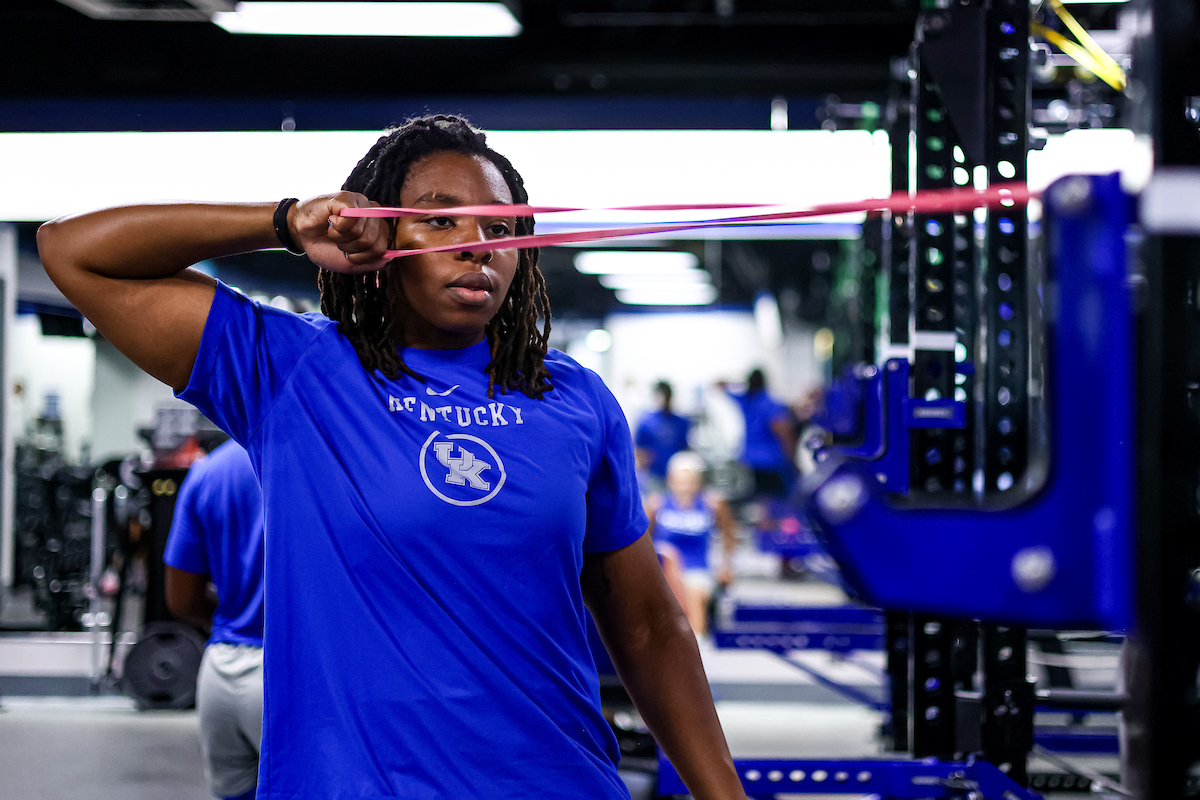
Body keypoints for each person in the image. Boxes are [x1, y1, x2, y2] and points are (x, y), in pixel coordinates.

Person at [38, 115, 744, 800]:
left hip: (555, 779)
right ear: (380, 233)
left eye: (500, 227)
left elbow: (648, 626)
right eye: (441, 220)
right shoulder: (289, 371)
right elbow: (73, 250)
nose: (479, 245)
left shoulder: (574, 399)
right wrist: (287, 222)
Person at [164, 439, 264, 800]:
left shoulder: (209, 471)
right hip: (287, 675)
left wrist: (235, 613)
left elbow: (181, 599)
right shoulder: (315, 462)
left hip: (219, 673)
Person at [646, 451, 737, 635]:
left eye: (689, 480)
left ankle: (697, 640)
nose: (684, 485)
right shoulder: (657, 505)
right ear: (670, 479)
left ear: (698, 481)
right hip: (664, 569)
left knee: (693, 592)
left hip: (698, 569)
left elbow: (729, 534)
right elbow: (644, 539)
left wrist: (726, 566)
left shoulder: (711, 504)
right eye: (680, 480)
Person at [722, 369, 797, 498]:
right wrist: (792, 457)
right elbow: (783, 430)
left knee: (759, 500)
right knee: (777, 500)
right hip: (770, 461)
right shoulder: (768, 402)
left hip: (750, 458)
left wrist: (740, 383)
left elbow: (720, 385)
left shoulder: (746, 400)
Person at [634, 380, 691, 494]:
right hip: (653, 474)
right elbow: (639, 449)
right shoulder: (646, 422)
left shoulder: (680, 422)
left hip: (676, 476)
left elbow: (684, 448)